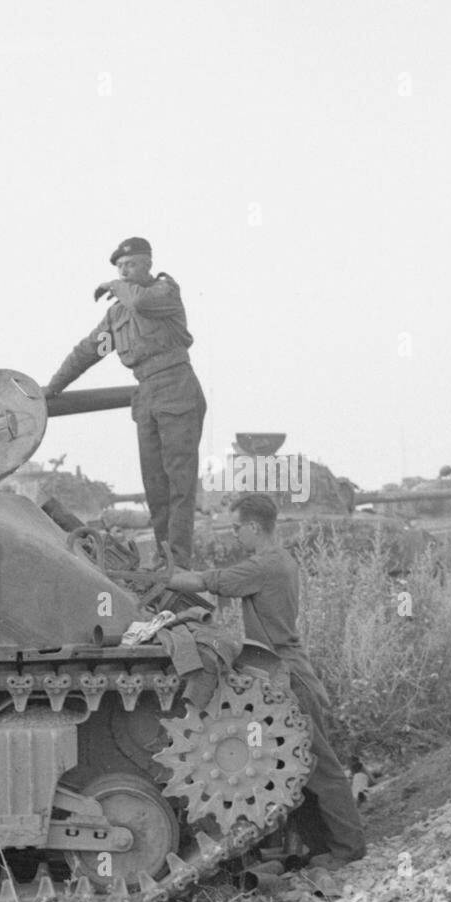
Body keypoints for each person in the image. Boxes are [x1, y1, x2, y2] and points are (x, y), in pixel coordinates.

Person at [168, 492, 366, 869]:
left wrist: (166, 577)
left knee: (318, 766)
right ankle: (320, 848)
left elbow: (214, 581)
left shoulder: (265, 565)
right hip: (287, 671)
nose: (234, 535)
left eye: (236, 528)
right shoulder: (279, 561)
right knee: (298, 766)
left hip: (287, 675)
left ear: (254, 527)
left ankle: (348, 849)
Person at [42, 237, 206, 566]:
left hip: (177, 388)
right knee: (155, 486)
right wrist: (52, 388)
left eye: (130, 265)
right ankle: (165, 559)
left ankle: (178, 562)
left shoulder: (163, 293)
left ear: (147, 263)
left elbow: (141, 303)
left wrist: (116, 285)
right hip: (146, 395)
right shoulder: (117, 315)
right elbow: (88, 351)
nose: (124, 271)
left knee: (179, 483)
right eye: (119, 268)